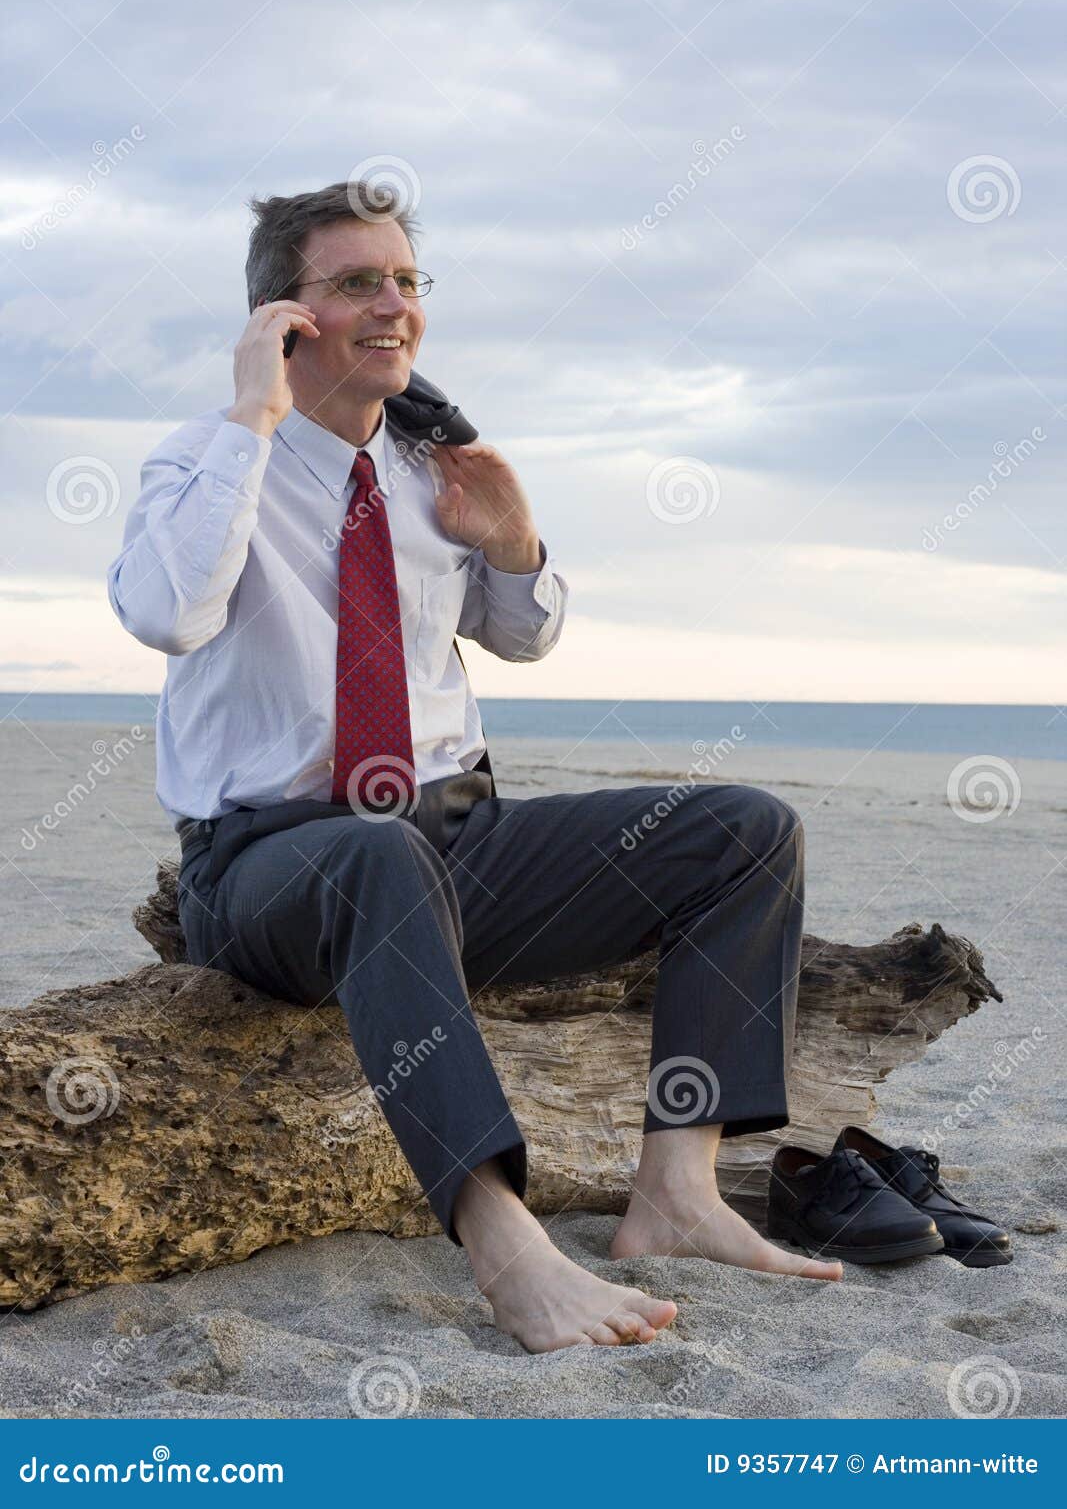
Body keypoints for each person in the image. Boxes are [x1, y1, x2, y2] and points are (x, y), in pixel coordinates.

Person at [107, 179, 842, 1356]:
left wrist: (513, 542)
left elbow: (524, 634)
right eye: (357, 282)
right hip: (269, 872)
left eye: (407, 281)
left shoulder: (421, 468)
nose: (395, 305)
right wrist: (251, 419)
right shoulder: (201, 460)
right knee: (375, 855)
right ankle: (503, 1244)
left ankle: (676, 1192)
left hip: (459, 843)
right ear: (280, 321)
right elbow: (165, 612)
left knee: (743, 829)